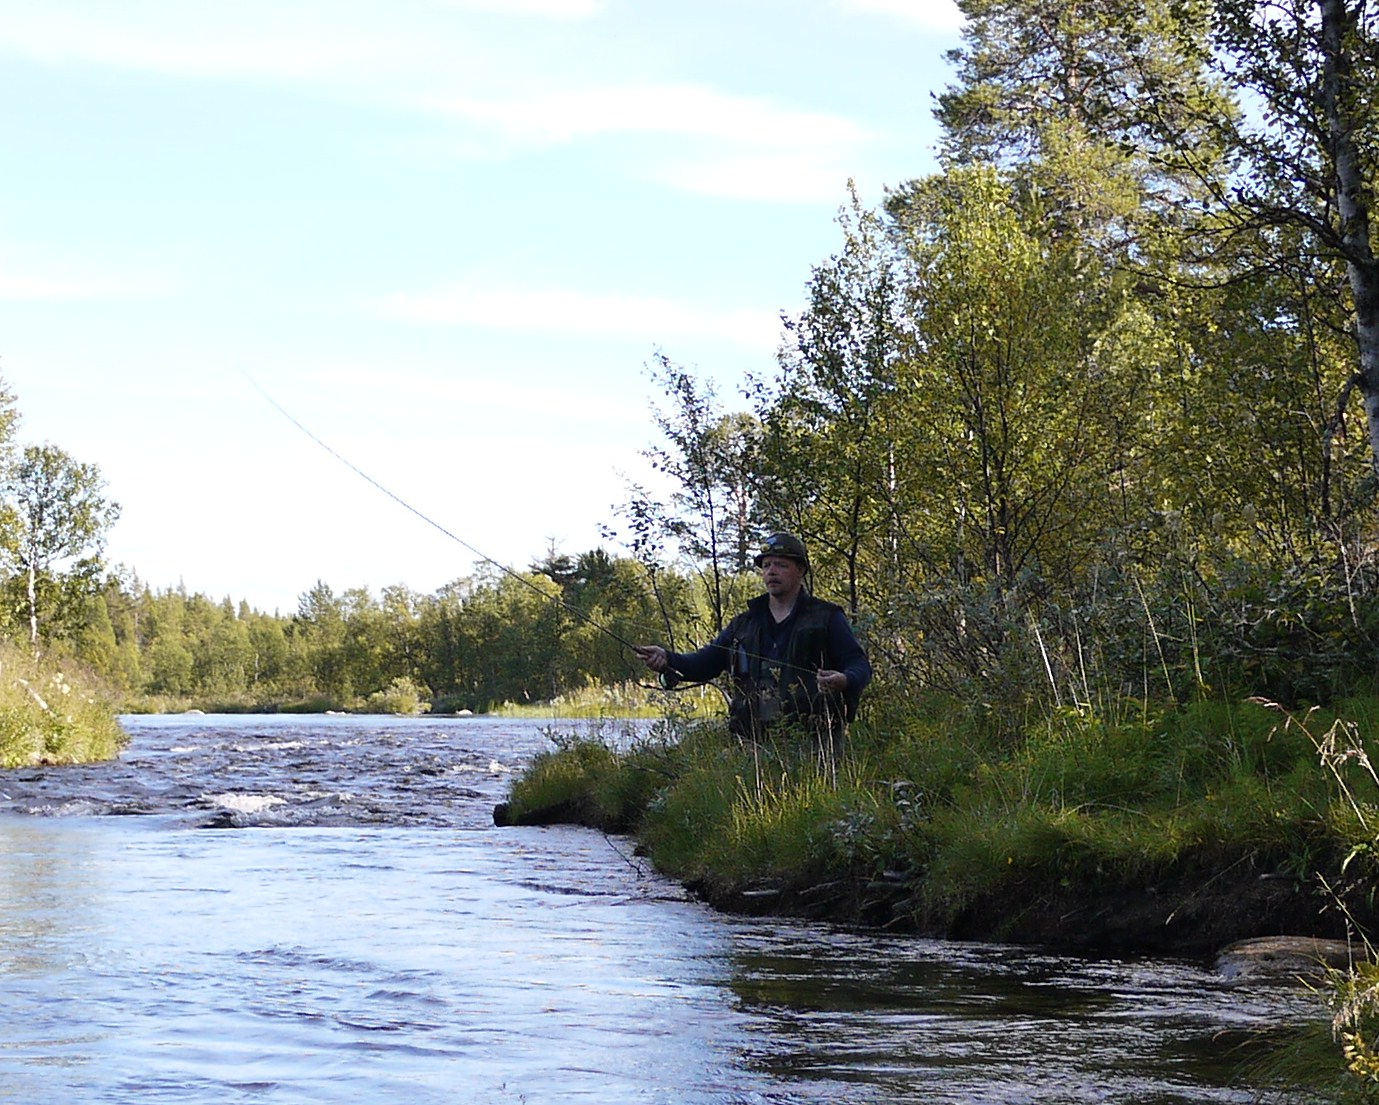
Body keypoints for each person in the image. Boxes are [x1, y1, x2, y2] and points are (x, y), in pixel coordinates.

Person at [634, 533, 871, 755]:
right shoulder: (743, 624)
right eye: (766, 566)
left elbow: (859, 665)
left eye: (781, 565)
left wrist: (844, 679)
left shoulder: (827, 617)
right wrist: (668, 658)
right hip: (755, 747)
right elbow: (706, 662)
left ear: (801, 570)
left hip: (814, 743)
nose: (772, 572)